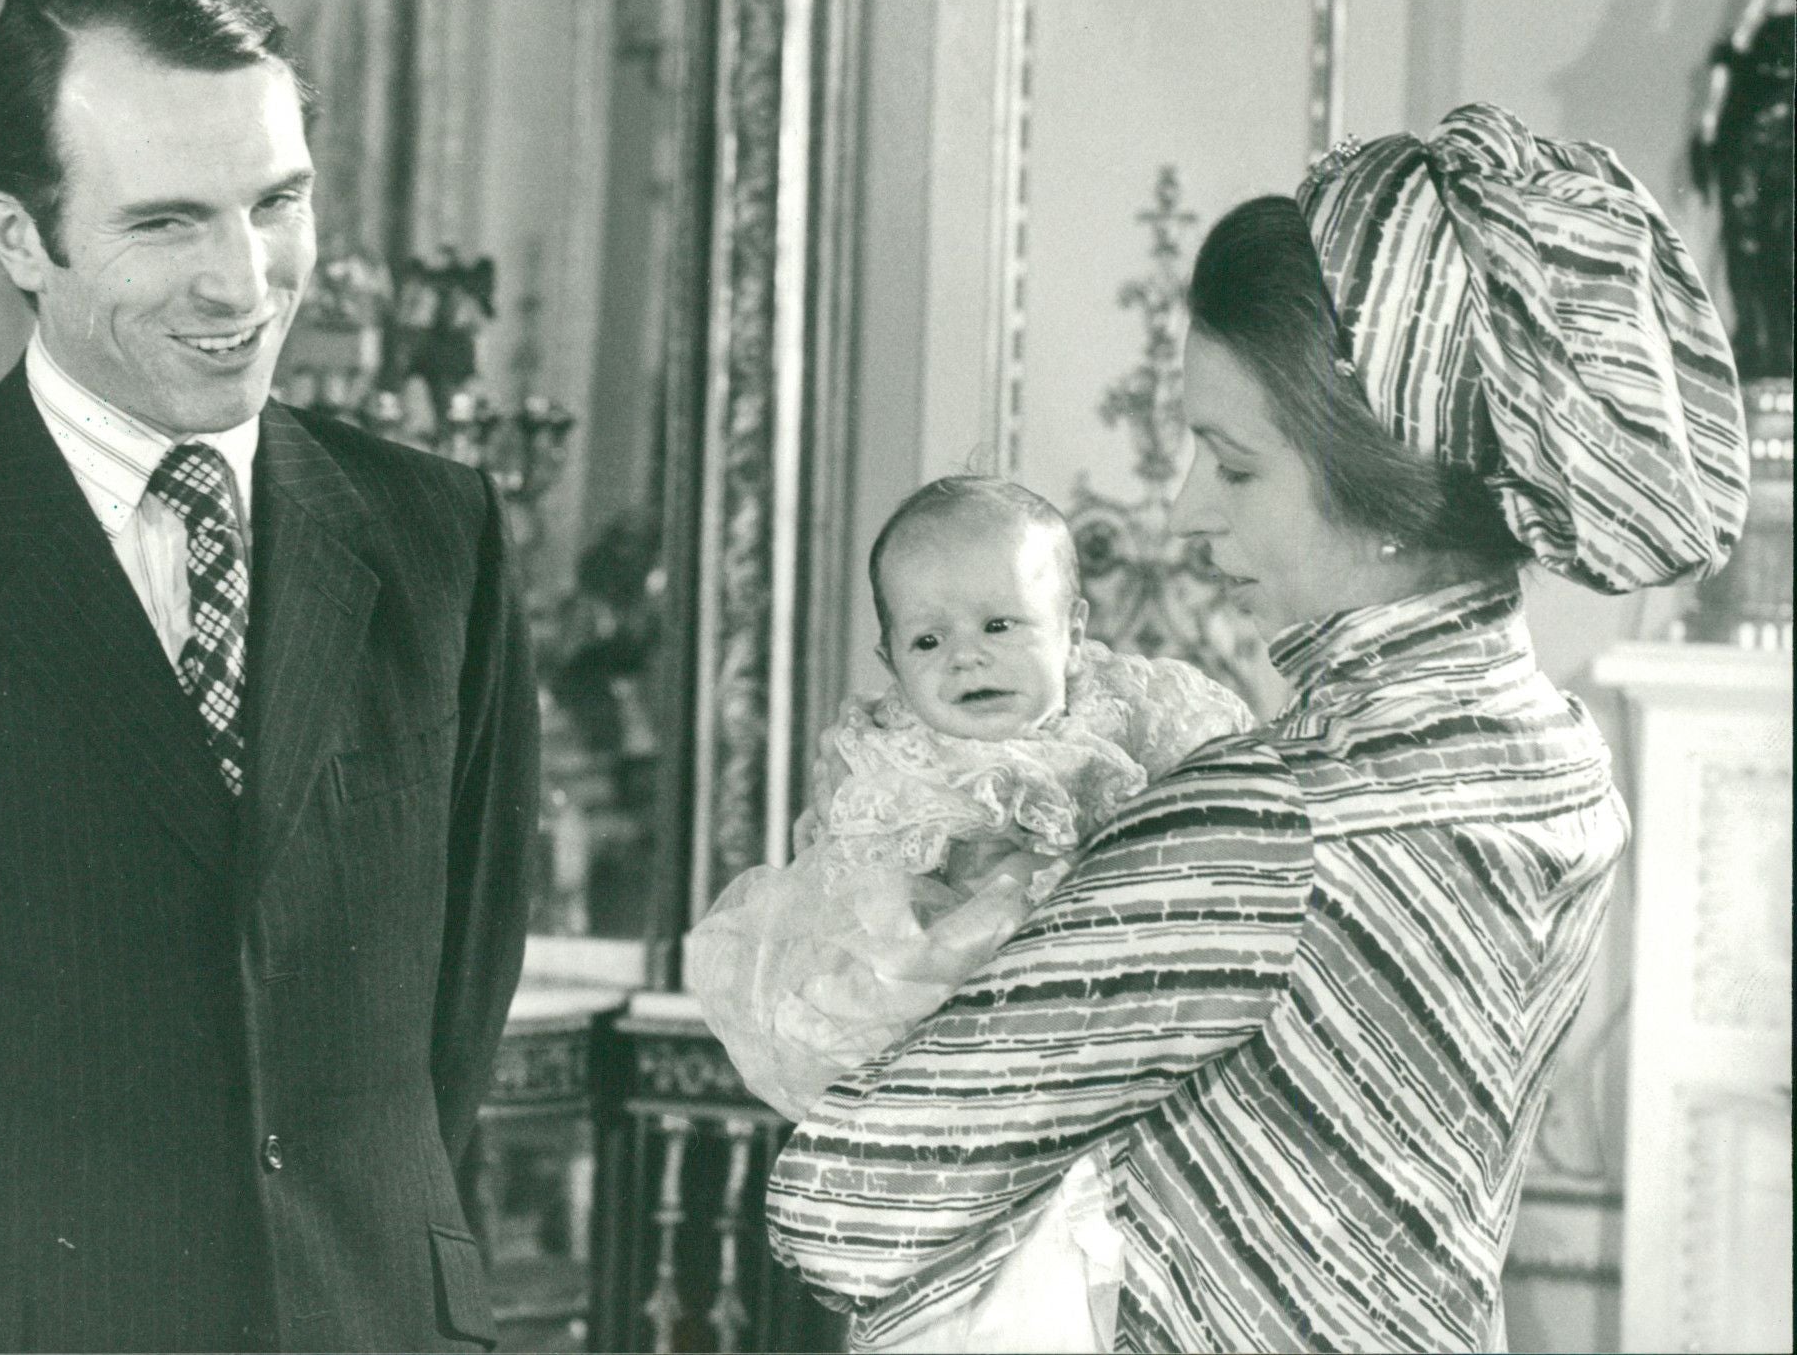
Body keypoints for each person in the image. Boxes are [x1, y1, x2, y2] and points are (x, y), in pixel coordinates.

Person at [765, 104, 1750, 1353]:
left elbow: (836, 1205)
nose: (1182, 513)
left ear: (1379, 485)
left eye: (1230, 467)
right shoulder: (1552, 759)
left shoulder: (1266, 817)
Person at [0, 0, 538, 1353]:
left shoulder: (440, 535)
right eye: (167, 223)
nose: (243, 281)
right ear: (19, 235)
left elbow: (463, 994)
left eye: (279, 202)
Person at [687, 476, 1251, 1351]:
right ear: (890, 660)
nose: (965, 657)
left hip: (1122, 1084)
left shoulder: (1137, 733)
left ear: (1075, 628)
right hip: (952, 1082)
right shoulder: (894, 774)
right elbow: (864, 933)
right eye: (926, 638)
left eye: (1000, 625)